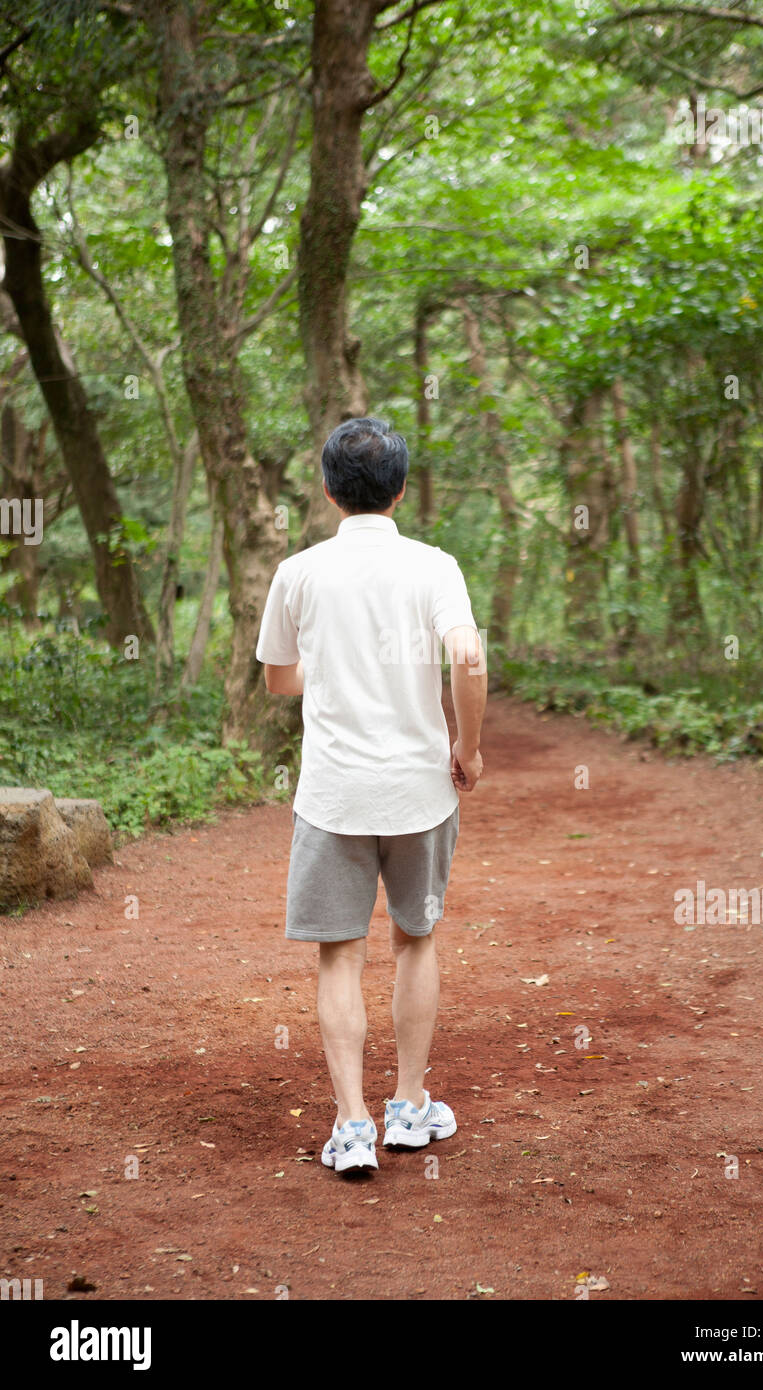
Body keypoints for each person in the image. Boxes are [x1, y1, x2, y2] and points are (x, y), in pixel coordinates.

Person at [256, 417, 487, 1175]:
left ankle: (352, 1124)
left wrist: (328, 669)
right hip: (420, 790)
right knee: (415, 938)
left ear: (328, 490)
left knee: (339, 954)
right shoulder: (435, 567)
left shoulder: (298, 573)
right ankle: (411, 1108)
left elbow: (278, 679)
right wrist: (467, 746)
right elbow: (470, 657)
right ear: (401, 489)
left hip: (333, 795)